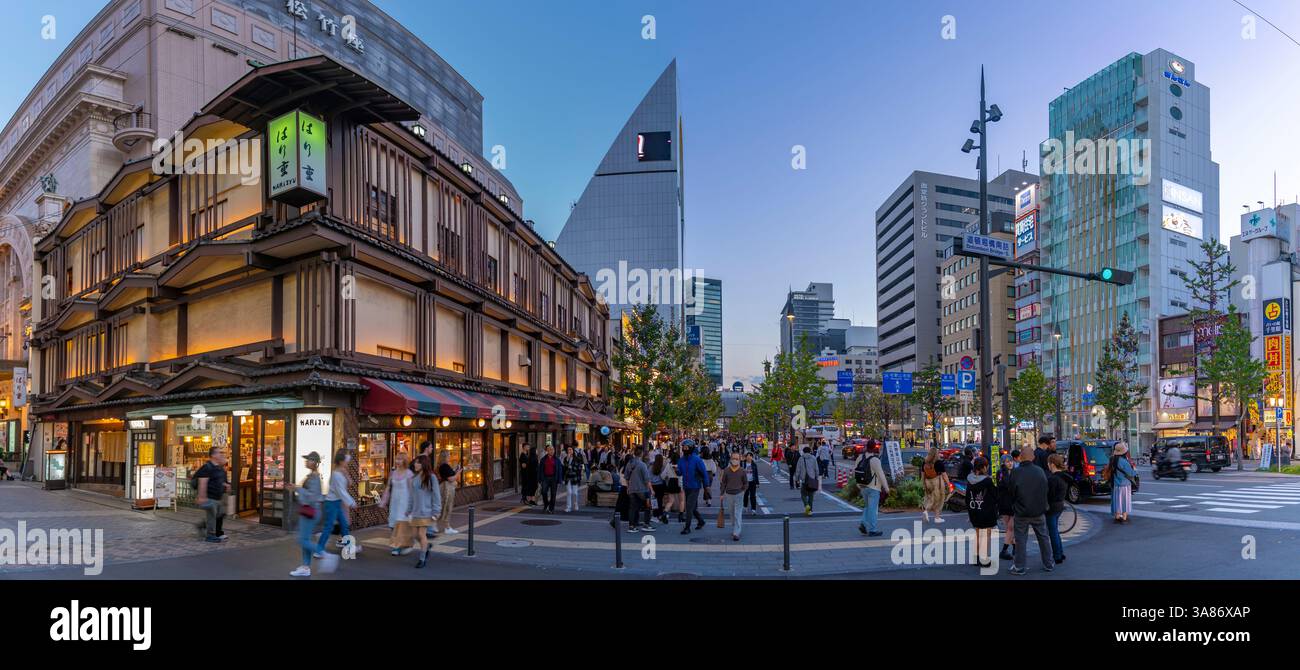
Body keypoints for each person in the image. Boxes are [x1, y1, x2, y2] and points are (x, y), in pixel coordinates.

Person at [1006, 446, 1053, 575]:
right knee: (1043, 538)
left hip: (1021, 511)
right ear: (1033, 457)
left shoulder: (1016, 472)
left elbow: (1011, 492)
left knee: (1021, 540)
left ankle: (1020, 567)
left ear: (1021, 457)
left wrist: (1016, 505)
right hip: (1038, 510)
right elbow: (1045, 489)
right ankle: (1048, 563)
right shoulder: (1039, 471)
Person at [314, 450, 357, 556]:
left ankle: (349, 546)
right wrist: (351, 503)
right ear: (342, 462)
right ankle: (319, 550)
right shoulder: (337, 475)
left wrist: (346, 474)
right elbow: (341, 491)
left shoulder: (338, 472)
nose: (347, 463)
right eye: (346, 461)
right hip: (332, 503)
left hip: (335, 502)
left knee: (343, 524)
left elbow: (346, 487)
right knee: (329, 526)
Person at [287, 451, 323, 577]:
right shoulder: (312, 476)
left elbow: (311, 497)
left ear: (314, 462)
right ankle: (306, 567)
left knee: (302, 539)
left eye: (309, 459)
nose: (306, 461)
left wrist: (297, 488)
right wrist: (296, 488)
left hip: (310, 511)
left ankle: (323, 553)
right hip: (309, 511)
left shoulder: (314, 477)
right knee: (305, 539)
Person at [407, 454, 442, 568]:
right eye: (415, 462)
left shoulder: (431, 477)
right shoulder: (414, 479)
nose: (415, 464)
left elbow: (436, 495)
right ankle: (426, 546)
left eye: (418, 462)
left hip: (427, 512)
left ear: (423, 464)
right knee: (414, 534)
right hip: (416, 512)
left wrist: (436, 511)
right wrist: (408, 509)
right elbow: (411, 497)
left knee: (421, 534)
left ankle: (422, 559)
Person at [379, 452, 414, 555]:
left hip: (404, 502)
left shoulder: (408, 473)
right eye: (397, 459)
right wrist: (383, 501)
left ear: (405, 461)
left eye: (400, 459)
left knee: (401, 525)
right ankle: (403, 544)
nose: (398, 461)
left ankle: (397, 547)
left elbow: (412, 491)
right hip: (394, 502)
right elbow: (388, 487)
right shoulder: (393, 473)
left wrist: (411, 506)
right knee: (393, 525)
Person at [965, 457, 998, 567]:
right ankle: (984, 558)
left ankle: (976, 557)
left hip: (974, 510)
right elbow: (995, 495)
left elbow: (967, 497)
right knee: (986, 535)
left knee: (978, 534)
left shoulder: (969, 479)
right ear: (983, 467)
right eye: (986, 465)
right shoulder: (987, 480)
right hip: (986, 511)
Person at [193, 446, 231, 543]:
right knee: (212, 516)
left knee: (220, 514)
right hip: (210, 496)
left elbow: (219, 480)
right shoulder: (207, 467)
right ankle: (210, 536)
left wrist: (225, 485)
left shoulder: (219, 468)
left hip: (218, 496)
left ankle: (202, 526)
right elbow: (203, 482)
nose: (221, 454)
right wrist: (202, 497)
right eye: (219, 452)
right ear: (213, 455)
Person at [856, 441, 889, 537]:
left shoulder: (859, 458)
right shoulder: (875, 460)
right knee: (873, 509)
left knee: (867, 506)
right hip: (873, 487)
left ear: (866, 447)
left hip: (862, 486)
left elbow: (856, 471)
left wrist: (858, 484)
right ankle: (872, 529)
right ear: (874, 447)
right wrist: (886, 488)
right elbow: (881, 475)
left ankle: (864, 523)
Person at [677, 444, 710, 534]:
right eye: (683, 447)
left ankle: (687, 527)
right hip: (686, 486)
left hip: (695, 486)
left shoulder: (697, 459)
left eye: (686, 448)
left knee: (689, 507)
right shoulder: (681, 460)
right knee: (692, 508)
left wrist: (706, 485)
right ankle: (701, 521)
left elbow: (704, 472)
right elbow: (679, 473)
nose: (684, 449)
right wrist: (677, 470)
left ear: (691, 448)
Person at [622, 447, 655, 533]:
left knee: (633, 508)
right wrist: (651, 490)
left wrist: (628, 487)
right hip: (642, 489)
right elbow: (647, 480)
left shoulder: (629, 463)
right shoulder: (642, 465)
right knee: (648, 506)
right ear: (641, 454)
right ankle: (646, 524)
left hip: (632, 489)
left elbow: (626, 477)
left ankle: (632, 526)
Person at [1046, 454, 1071, 565]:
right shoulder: (1064, 476)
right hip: (1060, 505)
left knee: (1053, 532)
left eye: (1048, 463)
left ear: (1052, 464)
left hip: (1051, 507)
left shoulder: (1053, 479)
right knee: (1055, 531)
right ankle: (1060, 552)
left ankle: (1057, 556)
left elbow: (1049, 494)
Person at [719, 452, 747, 541]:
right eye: (733, 458)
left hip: (739, 494)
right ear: (730, 459)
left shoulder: (742, 470)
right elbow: (723, 483)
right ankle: (735, 527)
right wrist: (722, 493)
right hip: (729, 494)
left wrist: (743, 490)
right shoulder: (726, 470)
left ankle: (736, 532)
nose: (735, 460)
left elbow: (746, 483)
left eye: (737, 459)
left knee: (737, 513)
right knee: (731, 513)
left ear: (740, 460)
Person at [1107, 441, 1137, 523]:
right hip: (1125, 484)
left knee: (1117, 500)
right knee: (1124, 501)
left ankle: (1117, 516)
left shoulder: (1112, 460)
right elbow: (1131, 473)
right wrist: (1134, 469)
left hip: (1115, 484)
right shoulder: (1124, 461)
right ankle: (1124, 517)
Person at [435, 450, 461, 534]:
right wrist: (458, 473)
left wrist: (454, 471)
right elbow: (450, 478)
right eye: (449, 455)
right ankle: (446, 527)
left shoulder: (442, 466)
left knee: (444, 507)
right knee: (447, 506)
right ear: (445, 456)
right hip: (447, 489)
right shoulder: (444, 466)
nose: (450, 456)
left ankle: (439, 526)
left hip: (446, 488)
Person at [921, 447, 949, 523]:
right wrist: (948, 484)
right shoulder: (939, 463)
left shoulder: (925, 462)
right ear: (936, 454)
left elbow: (923, 474)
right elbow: (944, 475)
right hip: (937, 482)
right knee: (939, 499)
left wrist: (923, 483)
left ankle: (937, 517)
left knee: (930, 498)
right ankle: (927, 512)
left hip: (927, 482)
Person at [996, 453, 1016, 561]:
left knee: (1011, 528)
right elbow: (1005, 485)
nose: (1010, 463)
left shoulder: (1015, 472)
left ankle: (1004, 550)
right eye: (1007, 461)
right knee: (1009, 528)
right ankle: (1015, 547)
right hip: (1004, 503)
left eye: (1011, 461)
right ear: (1003, 463)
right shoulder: (1000, 473)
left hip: (1014, 504)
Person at [794, 445, 820, 516]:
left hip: (804, 480)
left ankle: (806, 505)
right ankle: (810, 511)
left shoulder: (801, 459)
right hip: (812, 479)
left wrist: (797, 479)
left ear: (803, 452)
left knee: (803, 494)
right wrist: (816, 477)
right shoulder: (813, 458)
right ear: (810, 451)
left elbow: (798, 470)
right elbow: (816, 469)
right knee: (811, 496)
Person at [538, 444, 563, 513]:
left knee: (553, 494)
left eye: (553, 450)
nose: (552, 451)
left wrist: (560, 480)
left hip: (554, 478)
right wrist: (540, 479)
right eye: (550, 450)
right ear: (547, 451)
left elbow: (560, 470)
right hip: (545, 478)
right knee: (543, 492)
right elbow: (540, 470)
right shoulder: (543, 459)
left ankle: (551, 509)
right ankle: (546, 504)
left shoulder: (557, 460)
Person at [563, 445, 586, 513]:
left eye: (570, 450)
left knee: (575, 493)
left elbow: (579, 468)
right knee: (569, 492)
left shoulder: (577, 458)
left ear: (573, 451)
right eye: (568, 450)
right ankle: (568, 507)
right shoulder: (565, 458)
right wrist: (567, 460)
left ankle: (576, 503)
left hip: (575, 477)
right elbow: (564, 468)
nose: (569, 451)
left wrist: (571, 468)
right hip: (568, 477)